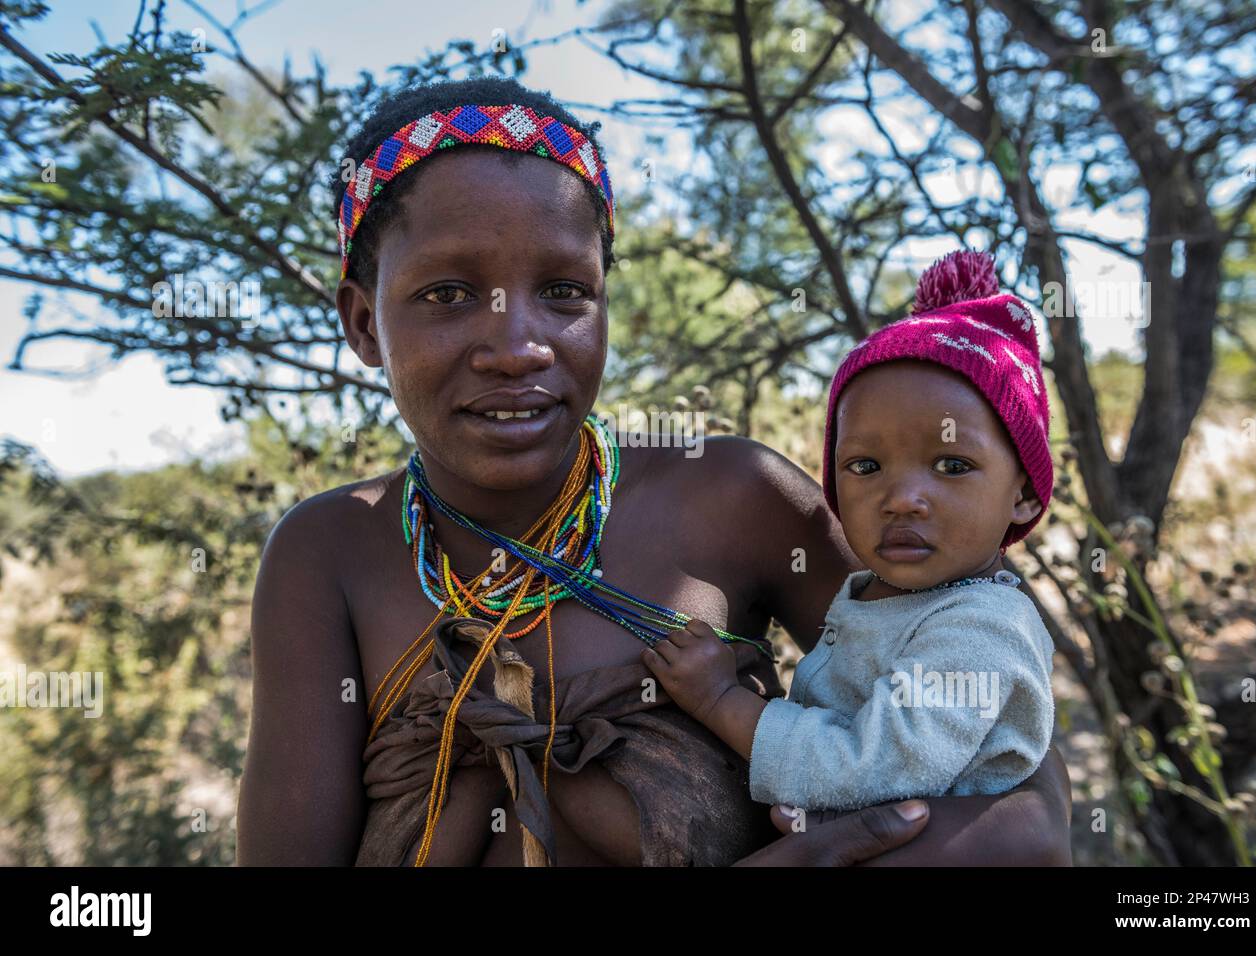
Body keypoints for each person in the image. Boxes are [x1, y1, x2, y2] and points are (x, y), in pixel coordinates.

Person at [234, 76, 1072, 866]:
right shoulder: (328, 556)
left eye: (564, 291)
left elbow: (1023, 809)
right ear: (363, 323)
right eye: (449, 294)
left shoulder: (734, 499)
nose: (517, 345)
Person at [643, 250, 1058, 814]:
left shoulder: (979, 633)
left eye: (952, 466)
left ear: (1025, 493)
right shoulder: (896, 593)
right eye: (865, 467)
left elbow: (869, 769)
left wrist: (721, 700)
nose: (902, 500)